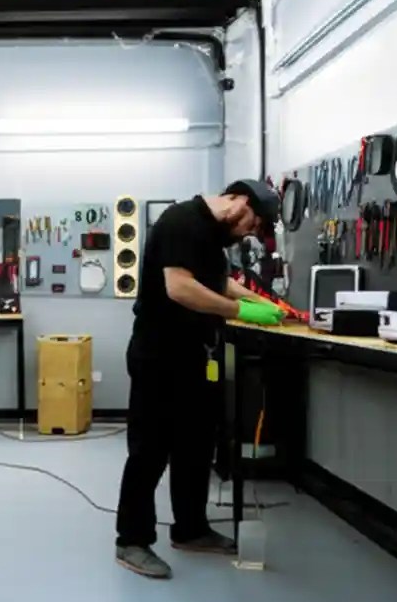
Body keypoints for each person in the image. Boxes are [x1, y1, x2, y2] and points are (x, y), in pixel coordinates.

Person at [115, 180, 284, 579]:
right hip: (158, 356)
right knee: (150, 451)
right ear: (241, 202)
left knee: (195, 448)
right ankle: (132, 541)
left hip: (196, 356)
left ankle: (191, 530)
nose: (248, 233)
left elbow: (217, 281)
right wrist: (239, 313)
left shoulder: (213, 237)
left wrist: (267, 303)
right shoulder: (181, 221)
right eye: (253, 224)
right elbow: (180, 287)